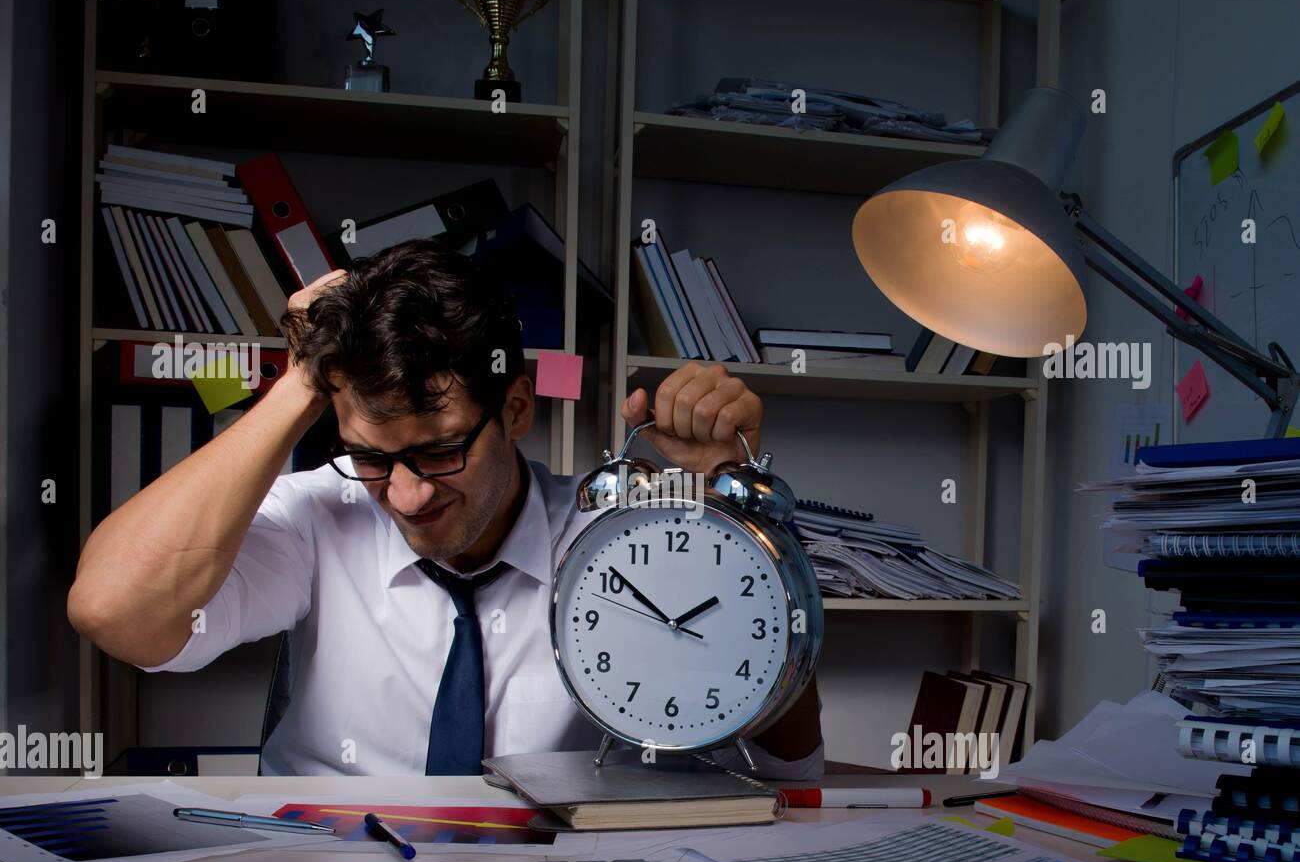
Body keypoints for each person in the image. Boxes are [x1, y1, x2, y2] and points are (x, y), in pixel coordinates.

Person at [67, 240, 823, 777]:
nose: (407, 494)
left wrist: (738, 524)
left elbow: (790, 765)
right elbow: (111, 609)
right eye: (372, 456)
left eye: (440, 452)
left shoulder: (618, 542)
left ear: (518, 407)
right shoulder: (317, 515)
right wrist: (302, 382)